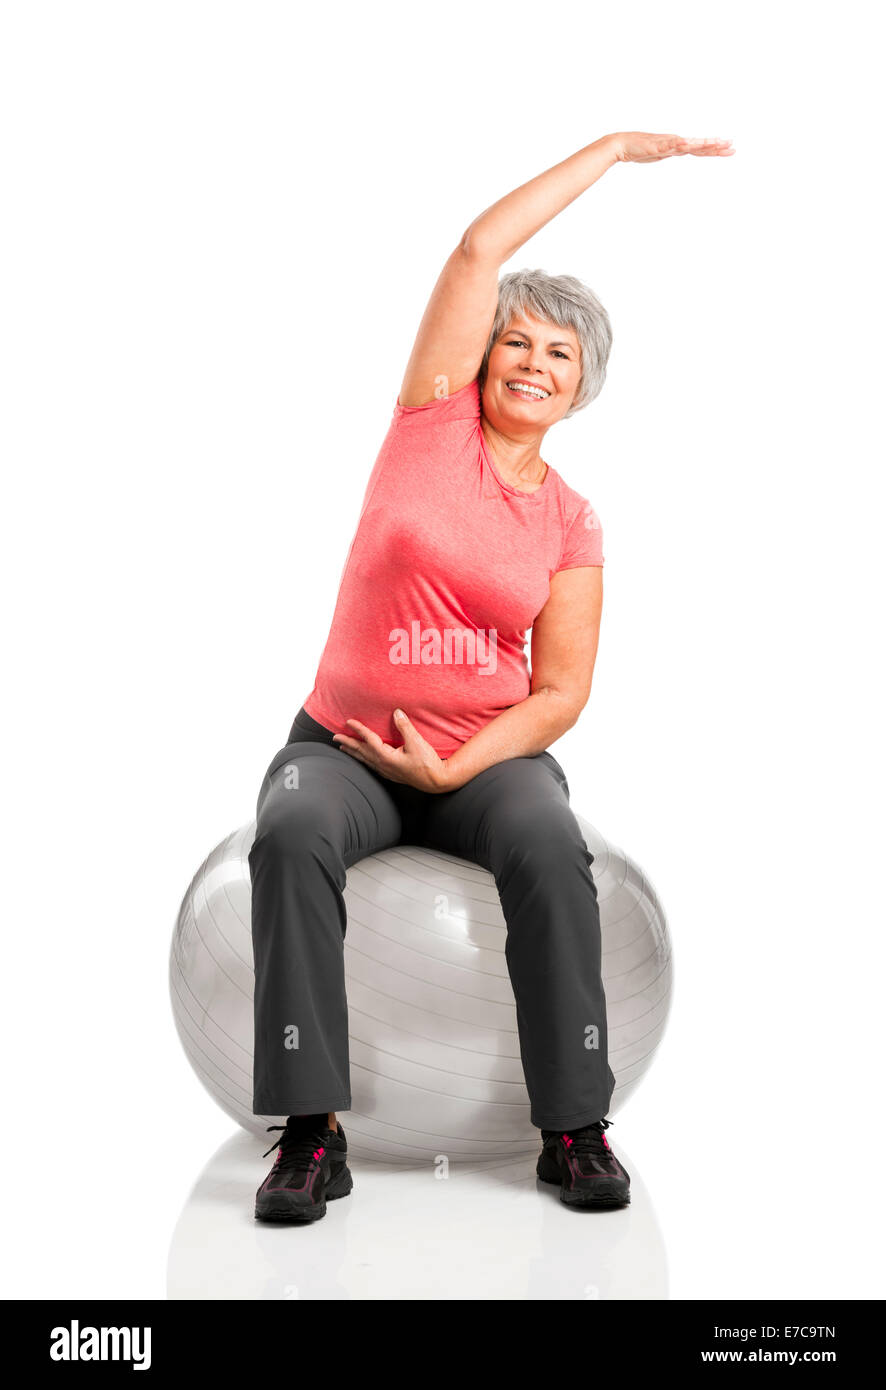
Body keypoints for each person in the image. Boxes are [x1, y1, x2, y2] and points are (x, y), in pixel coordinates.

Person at [250, 129, 734, 1222]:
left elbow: (560, 693)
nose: (531, 362)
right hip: (345, 746)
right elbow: (478, 249)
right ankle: (311, 1132)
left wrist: (455, 766)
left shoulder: (572, 521)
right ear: (480, 358)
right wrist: (612, 152)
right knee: (289, 830)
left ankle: (573, 1130)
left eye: (558, 354)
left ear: (581, 387)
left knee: (552, 846)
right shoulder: (430, 426)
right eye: (515, 341)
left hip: (487, 759)